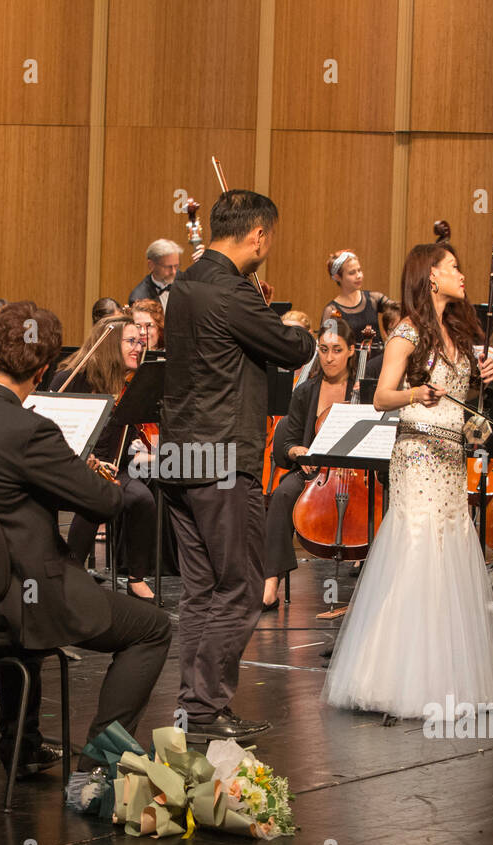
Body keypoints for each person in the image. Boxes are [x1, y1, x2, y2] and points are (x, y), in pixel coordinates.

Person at [0, 301, 171, 776]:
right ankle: (102, 760)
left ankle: (21, 742)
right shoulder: (31, 429)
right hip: (20, 595)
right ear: (44, 370)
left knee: (22, 609)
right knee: (152, 629)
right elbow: (106, 503)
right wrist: (76, 471)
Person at [321, 242, 493, 718]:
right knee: (418, 548)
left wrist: (482, 378)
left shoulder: (459, 335)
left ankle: (442, 676)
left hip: (450, 454)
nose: (461, 274)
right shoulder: (407, 331)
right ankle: (396, 677)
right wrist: (418, 392)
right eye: (453, 267)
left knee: (449, 551)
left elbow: (463, 399)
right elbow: (382, 398)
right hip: (417, 454)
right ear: (430, 275)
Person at [160, 189, 315, 741]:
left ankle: (194, 708)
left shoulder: (185, 285)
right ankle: (204, 707)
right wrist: (294, 322)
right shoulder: (233, 293)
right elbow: (291, 349)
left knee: (202, 590)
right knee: (244, 587)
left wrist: (257, 303)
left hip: (179, 456)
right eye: (269, 239)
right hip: (223, 457)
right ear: (258, 236)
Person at [51, 315, 159, 600]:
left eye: (140, 341)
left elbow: (123, 443)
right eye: (131, 341)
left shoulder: (130, 386)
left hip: (113, 469)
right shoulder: (72, 379)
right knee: (96, 498)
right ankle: (71, 574)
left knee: (142, 498)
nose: (138, 347)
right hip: (72, 467)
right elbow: (50, 429)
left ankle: (136, 577)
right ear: (111, 344)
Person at [263, 318, 358, 609]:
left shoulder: (363, 389)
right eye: (324, 349)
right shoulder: (306, 391)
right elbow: (289, 443)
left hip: (356, 471)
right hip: (313, 471)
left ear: (352, 351)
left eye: (337, 350)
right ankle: (270, 583)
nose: (329, 358)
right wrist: (299, 453)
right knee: (282, 495)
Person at [129, 239, 182, 309]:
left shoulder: (185, 281)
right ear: (151, 265)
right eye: (168, 267)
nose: (174, 272)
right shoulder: (140, 298)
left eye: (176, 266)